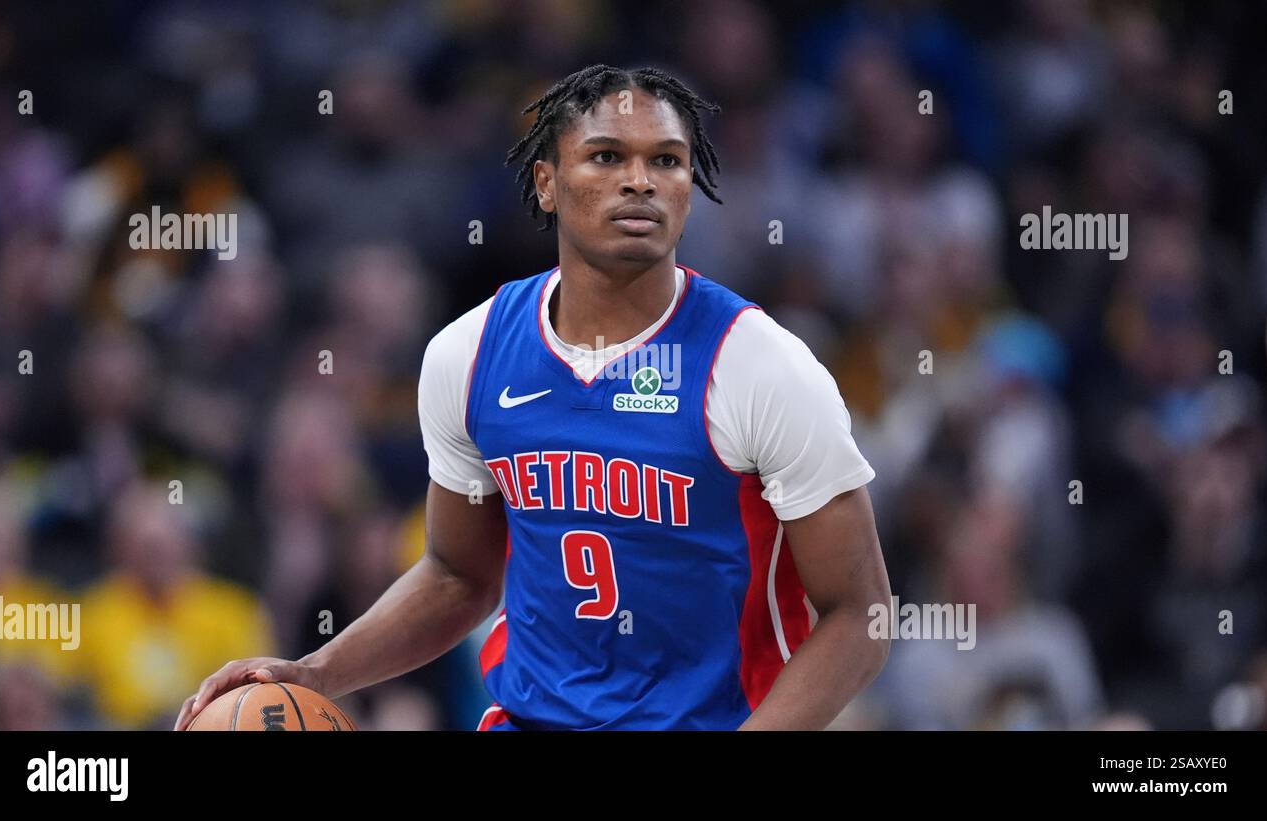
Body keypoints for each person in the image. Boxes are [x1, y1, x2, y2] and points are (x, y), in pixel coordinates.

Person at [175, 64, 890, 731]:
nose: (640, 180)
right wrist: (317, 670)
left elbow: (860, 615)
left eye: (666, 160)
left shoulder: (759, 364)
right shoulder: (470, 352)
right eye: (607, 156)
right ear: (546, 184)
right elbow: (459, 575)